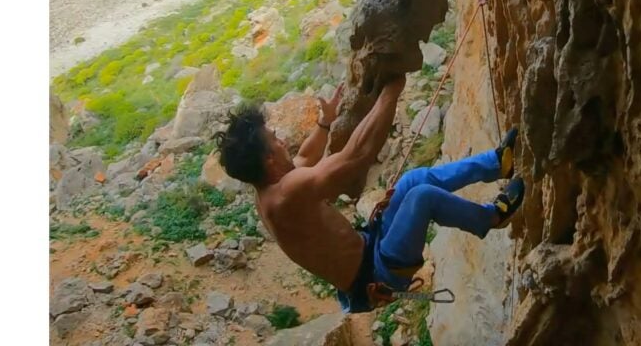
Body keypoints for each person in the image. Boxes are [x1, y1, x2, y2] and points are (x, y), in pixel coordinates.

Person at [213, 74, 525, 313]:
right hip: (378, 275)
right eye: (275, 140)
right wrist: (392, 90)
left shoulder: (269, 184)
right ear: (268, 161)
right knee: (422, 197)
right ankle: (490, 217)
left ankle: (497, 163)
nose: (282, 142)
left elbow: (305, 159)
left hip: (371, 246)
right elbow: (356, 156)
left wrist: (325, 123)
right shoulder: (284, 197)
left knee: (412, 181)